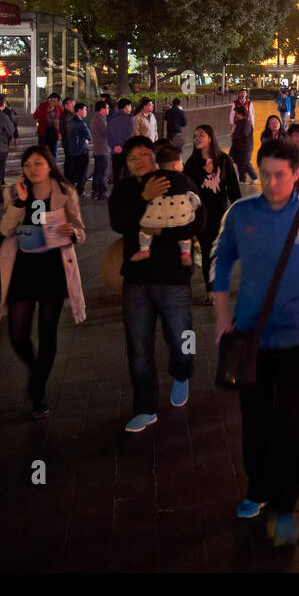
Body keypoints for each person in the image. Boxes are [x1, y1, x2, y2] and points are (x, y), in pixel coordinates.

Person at [212, 136, 299, 544]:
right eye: (264, 174)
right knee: (254, 419)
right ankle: (258, 486)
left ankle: (285, 505)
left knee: (289, 421)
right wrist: (220, 318)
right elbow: (219, 262)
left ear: (297, 173)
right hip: (252, 336)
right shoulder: (240, 213)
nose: (271, 182)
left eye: (280, 175)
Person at [109, 136, 208, 432]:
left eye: (143, 154)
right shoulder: (125, 190)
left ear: (154, 156)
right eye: (132, 158)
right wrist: (143, 197)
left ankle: (182, 372)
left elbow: (197, 222)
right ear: (126, 164)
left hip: (173, 277)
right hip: (136, 281)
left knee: (181, 339)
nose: (139, 161)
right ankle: (145, 408)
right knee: (139, 347)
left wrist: (160, 230)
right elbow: (118, 222)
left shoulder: (178, 181)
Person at [0, 145, 86, 419]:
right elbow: (5, 229)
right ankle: (37, 372)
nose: (32, 169)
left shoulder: (65, 191)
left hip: (54, 268)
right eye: (27, 165)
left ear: (49, 165)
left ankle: (38, 390)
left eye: (38, 163)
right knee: (17, 333)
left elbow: (80, 230)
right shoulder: (14, 192)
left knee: (47, 331)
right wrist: (20, 203)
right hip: (23, 267)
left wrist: (73, 232)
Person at [184, 124, 241, 306]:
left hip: (220, 215)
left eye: (201, 134)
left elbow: (233, 189)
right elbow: (186, 191)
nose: (197, 138)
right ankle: (211, 290)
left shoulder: (223, 160)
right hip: (201, 216)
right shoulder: (192, 163)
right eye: (195, 136)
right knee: (209, 251)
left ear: (210, 138)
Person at [131, 142, 202, 266]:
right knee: (185, 234)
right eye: (180, 161)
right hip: (180, 214)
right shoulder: (185, 179)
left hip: (157, 213)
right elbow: (194, 198)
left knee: (145, 230)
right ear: (175, 165)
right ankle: (185, 252)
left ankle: (144, 249)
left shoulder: (151, 178)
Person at [62, 101, 92, 195]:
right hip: (81, 151)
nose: (86, 112)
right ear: (79, 111)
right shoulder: (81, 123)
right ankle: (80, 190)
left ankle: (70, 189)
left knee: (73, 172)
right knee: (82, 172)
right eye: (85, 110)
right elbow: (89, 136)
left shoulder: (69, 122)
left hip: (71, 151)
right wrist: (86, 140)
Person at [229, 92, 257, 185]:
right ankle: (242, 180)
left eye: (236, 113)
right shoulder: (240, 122)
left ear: (241, 114)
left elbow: (243, 134)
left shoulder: (246, 123)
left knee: (244, 163)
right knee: (240, 163)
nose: (235, 115)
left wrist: (234, 136)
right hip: (240, 147)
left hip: (246, 147)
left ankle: (253, 177)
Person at [89, 98, 111, 200]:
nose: (108, 110)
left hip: (98, 149)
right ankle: (102, 192)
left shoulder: (96, 118)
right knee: (103, 172)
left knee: (98, 171)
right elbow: (107, 135)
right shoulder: (101, 121)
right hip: (103, 149)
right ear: (101, 109)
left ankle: (96, 192)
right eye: (107, 108)